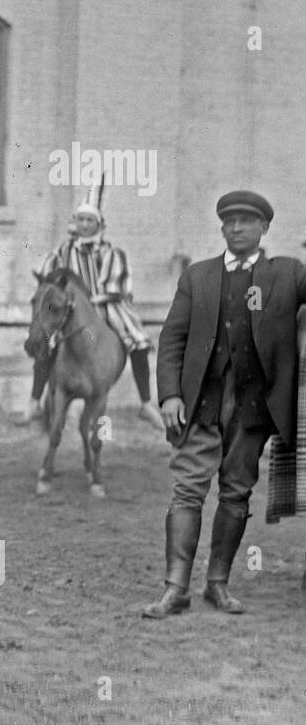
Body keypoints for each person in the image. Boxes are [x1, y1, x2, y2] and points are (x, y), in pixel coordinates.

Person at [144, 191, 306, 617]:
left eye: (247, 221)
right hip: (201, 404)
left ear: (264, 228)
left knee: (236, 492)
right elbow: (172, 340)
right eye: (230, 221)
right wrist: (170, 395)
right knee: (187, 491)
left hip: (254, 409)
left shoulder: (289, 274)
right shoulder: (198, 277)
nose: (236, 228)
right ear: (221, 227)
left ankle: (218, 584)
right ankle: (175, 589)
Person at [18, 192, 166, 431]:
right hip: (70, 307)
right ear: (74, 224)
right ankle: (35, 400)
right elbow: (48, 279)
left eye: (90, 221)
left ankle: (146, 402)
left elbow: (116, 287)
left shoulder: (111, 253)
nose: (85, 226)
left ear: (99, 225)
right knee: (46, 338)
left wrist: (91, 299)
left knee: (136, 340)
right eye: (81, 220)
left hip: (105, 304)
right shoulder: (63, 252)